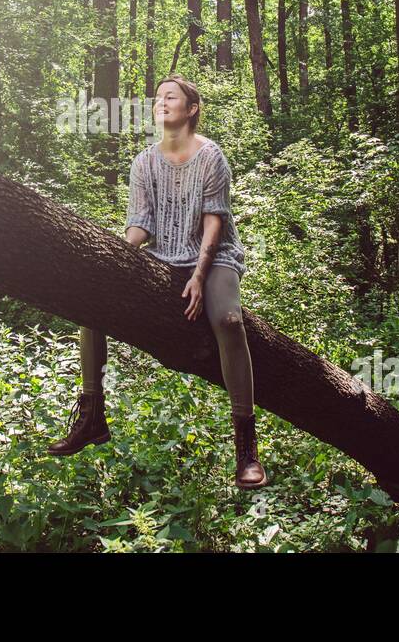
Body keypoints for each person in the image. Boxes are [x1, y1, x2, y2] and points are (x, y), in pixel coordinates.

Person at [47, 74, 268, 489]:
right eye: (158, 98)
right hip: (163, 257)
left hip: (213, 256)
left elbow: (213, 222)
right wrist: (110, 258)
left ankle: (246, 448)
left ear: (192, 109)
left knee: (229, 322)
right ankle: (92, 414)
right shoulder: (144, 162)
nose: (161, 102)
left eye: (172, 96)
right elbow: (140, 227)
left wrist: (200, 276)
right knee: (89, 299)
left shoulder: (212, 156)